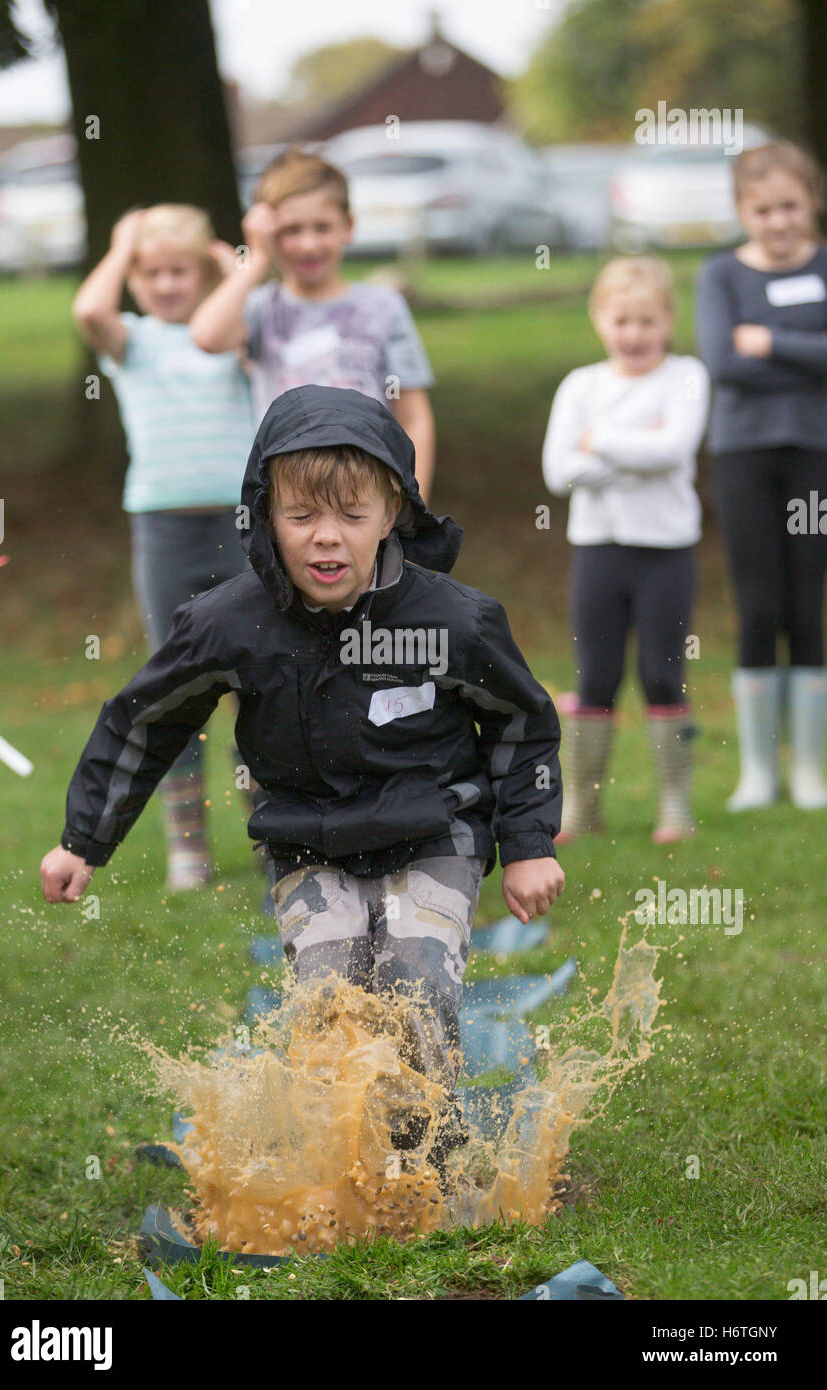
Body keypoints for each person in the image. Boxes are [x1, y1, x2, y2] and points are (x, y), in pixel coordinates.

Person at [40, 384, 564, 1168]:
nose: (327, 539)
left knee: (412, 988)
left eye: (352, 516)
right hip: (305, 844)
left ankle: (421, 1168)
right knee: (330, 998)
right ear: (262, 512)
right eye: (301, 516)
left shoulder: (453, 620)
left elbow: (523, 725)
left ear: (394, 513)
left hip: (433, 834)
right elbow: (147, 721)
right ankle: (342, 1163)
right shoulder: (229, 621)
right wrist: (84, 839)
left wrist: (526, 845)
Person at [72, 204, 255, 889]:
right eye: (153, 274)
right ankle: (189, 849)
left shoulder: (229, 331)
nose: (167, 285)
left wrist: (232, 265)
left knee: (255, 681)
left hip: (240, 526)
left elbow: (255, 308)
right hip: (163, 530)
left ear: (202, 273)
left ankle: (271, 834)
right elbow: (90, 310)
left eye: (181, 271)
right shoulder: (133, 341)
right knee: (175, 684)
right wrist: (121, 247)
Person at [543, 256, 709, 843]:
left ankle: (675, 806)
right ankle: (581, 811)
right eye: (622, 320)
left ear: (668, 320)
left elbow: (674, 448)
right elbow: (560, 471)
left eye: (647, 321)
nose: (634, 334)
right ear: (599, 319)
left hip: (666, 551)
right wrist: (636, 452)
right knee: (596, 676)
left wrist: (601, 443)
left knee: (663, 675)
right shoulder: (580, 386)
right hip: (599, 550)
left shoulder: (687, 376)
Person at [696, 140, 827, 811]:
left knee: (808, 603)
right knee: (759, 605)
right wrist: (810, 354)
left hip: (815, 452)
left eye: (790, 206)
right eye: (763, 209)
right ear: (743, 210)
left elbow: (752, 353)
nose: (778, 221)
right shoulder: (720, 275)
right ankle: (757, 772)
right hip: (744, 455)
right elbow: (722, 360)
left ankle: (808, 769)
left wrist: (770, 341)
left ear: (812, 203)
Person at [190, 149, 436, 499]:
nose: (308, 244)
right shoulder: (260, 308)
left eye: (322, 227)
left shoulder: (383, 307)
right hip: (285, 504)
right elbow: (207, 336)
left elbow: (414, 417)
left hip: (368, 500)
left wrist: (415, 504)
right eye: (291, 230)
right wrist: (257, 260)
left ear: (348, 226)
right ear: (269, 232)